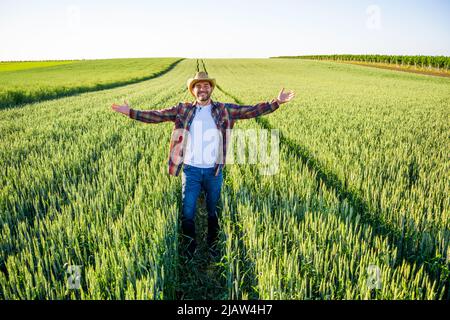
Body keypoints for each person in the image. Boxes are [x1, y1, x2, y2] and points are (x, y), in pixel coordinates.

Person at [111, 71, 295, 259]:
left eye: (206, 85)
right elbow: (157, 115)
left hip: (214, 170)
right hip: (190, 170)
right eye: (198, 86)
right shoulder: (183, 110)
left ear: (211, 89)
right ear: (193, 90)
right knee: (187, 211)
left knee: (212, 210)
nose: (202, 88)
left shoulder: (224, 109)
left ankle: (213, 244)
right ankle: (190, 247)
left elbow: (250, 111)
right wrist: (132, 112)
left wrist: (276, 103)